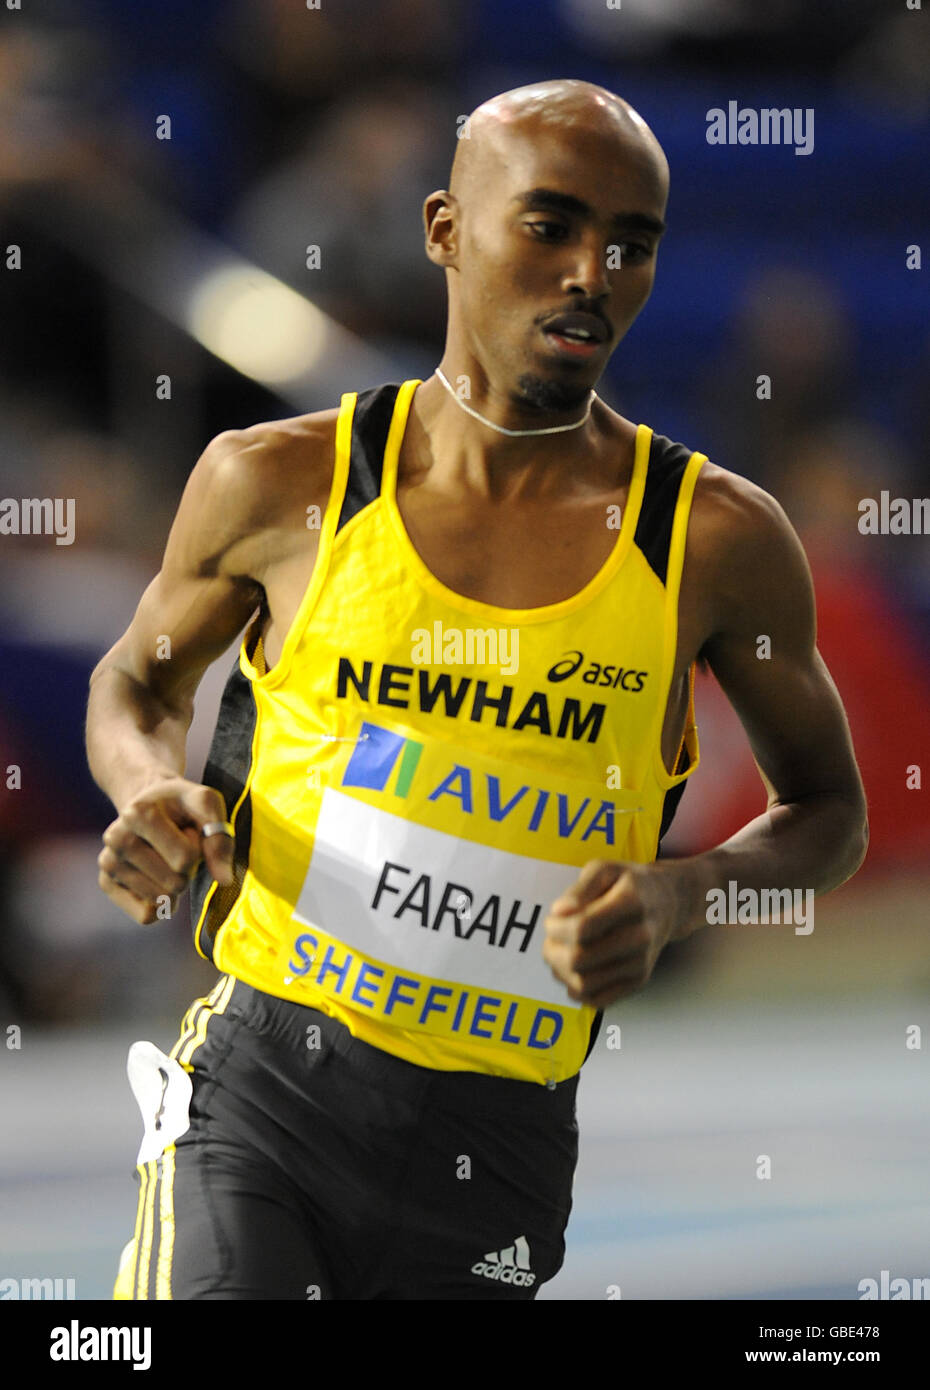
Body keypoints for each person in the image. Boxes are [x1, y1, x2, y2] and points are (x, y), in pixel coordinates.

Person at [86, 79, 868, 1300]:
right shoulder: (282, 481)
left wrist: (680, 894)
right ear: (447, 229)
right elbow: (134, 683)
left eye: (631, 244)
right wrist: (147, 791)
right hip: (263, 1095)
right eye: (550, 226)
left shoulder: (712, 539)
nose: (591, 273)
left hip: (498, 1149)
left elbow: (829, 812)